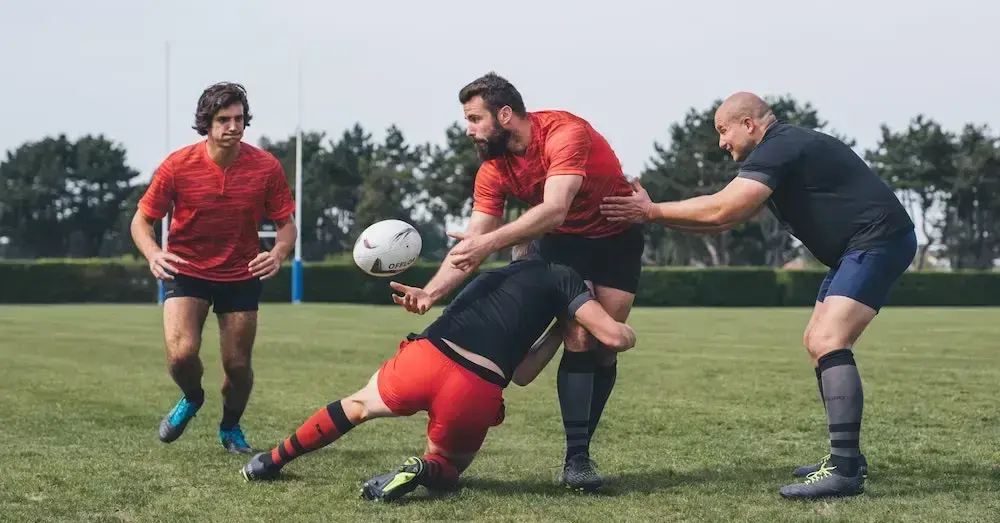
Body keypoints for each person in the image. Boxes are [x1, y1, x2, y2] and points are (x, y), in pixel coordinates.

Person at [600, 91, 916, 499]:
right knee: (816, 341)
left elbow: (721, 209)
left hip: (877, 240)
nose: (720, 142)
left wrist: (651, 211)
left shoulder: (778, 146)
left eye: (723, 130)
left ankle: (845, 469)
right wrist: (653, 217)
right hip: (859, 247)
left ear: (749, 124)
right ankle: (848, 457)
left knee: (828, 340)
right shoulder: (781, 150)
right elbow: (724, 221)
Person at [392, 72, 644, 491]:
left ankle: (579, 445)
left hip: (617, 238)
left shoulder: (566, 133)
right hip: (564, 245)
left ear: (504, 114)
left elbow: (554, 209)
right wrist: (431, 292)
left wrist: (490, 241)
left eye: (475, 119)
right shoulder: (492, 169)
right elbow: (474, 242)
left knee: (603, 347)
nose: (469, 129)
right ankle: (577, 459)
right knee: (579, 334)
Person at [240, 247, 637, 503]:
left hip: (427, 356)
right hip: (476, 386)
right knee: (449, 469)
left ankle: (269, 462)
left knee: (357, 405)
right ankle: (421, 469)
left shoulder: (493, 274)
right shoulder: (563, 276)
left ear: (523, 246)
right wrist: (576, 322)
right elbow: (609, 340)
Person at [130, 82, 297, 454]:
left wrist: (279, 252)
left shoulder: (265, 166)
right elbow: (141, 221)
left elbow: (286, 224)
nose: (233, 126)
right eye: (224, 119)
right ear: (207, 123)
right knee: (181, 354)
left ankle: (230, 427)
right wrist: (154, 254)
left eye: (239, 119)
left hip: (241, 274)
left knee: (238, 368)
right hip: (186, 270)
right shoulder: (177, 165)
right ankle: (191, 396)